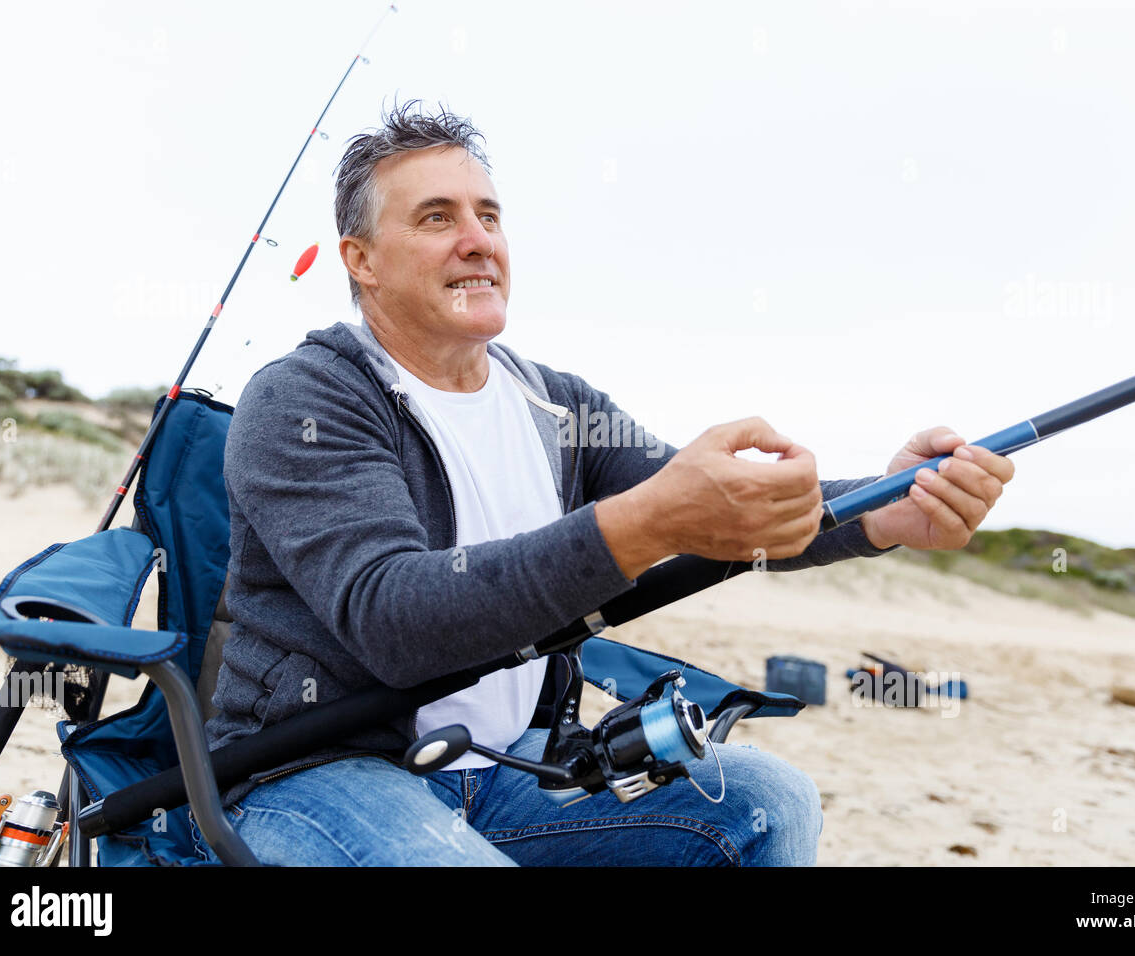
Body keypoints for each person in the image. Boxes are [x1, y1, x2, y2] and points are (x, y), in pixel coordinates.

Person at [195, 100, 1014, 866]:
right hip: (308, 772)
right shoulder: (303, 398)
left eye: (489, 215)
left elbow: (720, 509)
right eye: (437, 217)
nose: (478, 240)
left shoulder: (556, 404)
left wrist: (887, 509)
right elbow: (395, 619)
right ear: (361, 260)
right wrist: (643, 527)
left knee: (770, 802)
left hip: (506, 767)